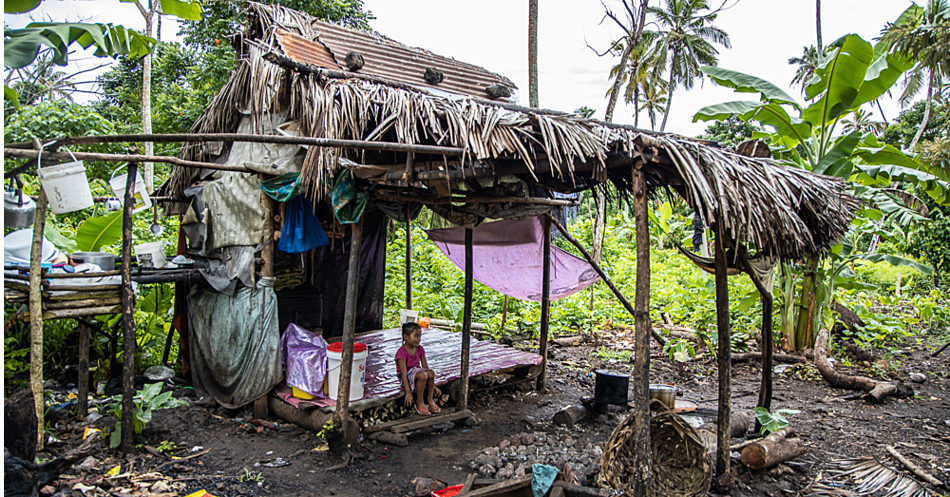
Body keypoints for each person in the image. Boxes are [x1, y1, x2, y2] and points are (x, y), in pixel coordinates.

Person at [395, 322, 441, 416]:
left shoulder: (420, 349)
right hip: (407, 375)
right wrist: (408, 392)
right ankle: (420, 402)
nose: (418, 339)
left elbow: (425, 368)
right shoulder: (401, 352)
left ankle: (429, 399)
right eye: (416, 336)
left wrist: (433, 385)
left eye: (420, 336)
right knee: (422, 375)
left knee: (430, 373)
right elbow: (403, 374)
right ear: (406, 337)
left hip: (417, 372)